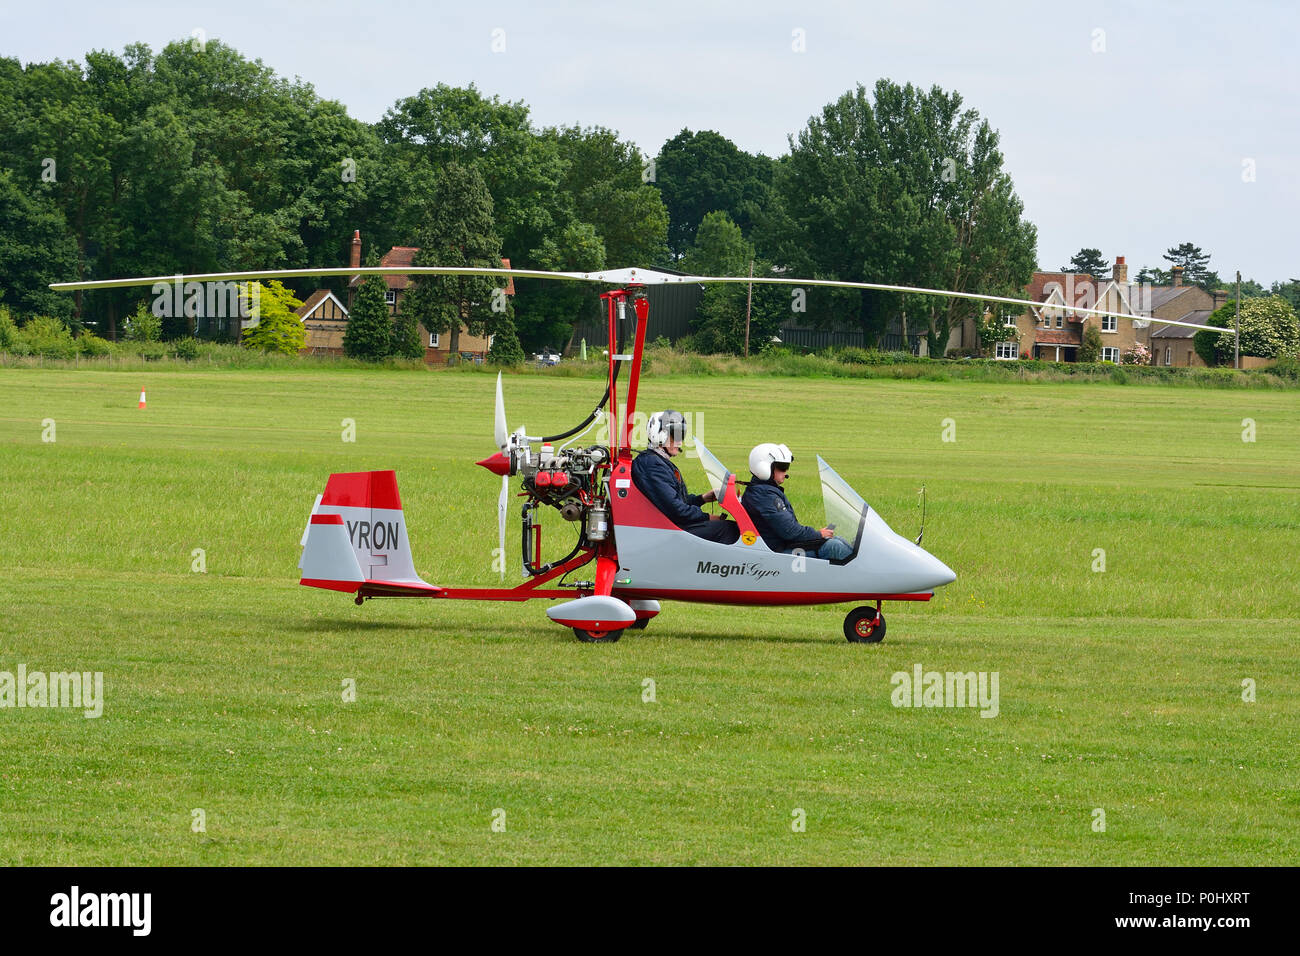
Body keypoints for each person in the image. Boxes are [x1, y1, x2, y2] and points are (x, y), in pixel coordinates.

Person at [631, 410, 740, 544]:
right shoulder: (653, 465)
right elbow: (676, 510)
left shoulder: (656, 461)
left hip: (669, 525)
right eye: (675, 437)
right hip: (666, 531)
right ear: (660, 435)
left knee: (729, 527)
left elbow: (674, 500)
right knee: (729, 530)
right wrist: (707, 517)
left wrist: (701, 499)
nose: (680, 443)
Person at [741, 443, 853, 560]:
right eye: (782, 467)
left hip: (781, 545)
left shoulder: (762, 490)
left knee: (836, 540)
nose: (785, 472)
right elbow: (790, 531)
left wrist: (817, 535)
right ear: (764, 468)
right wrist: (818, 535)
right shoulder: (764, 495)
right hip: (777, 552)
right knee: (834, 547)